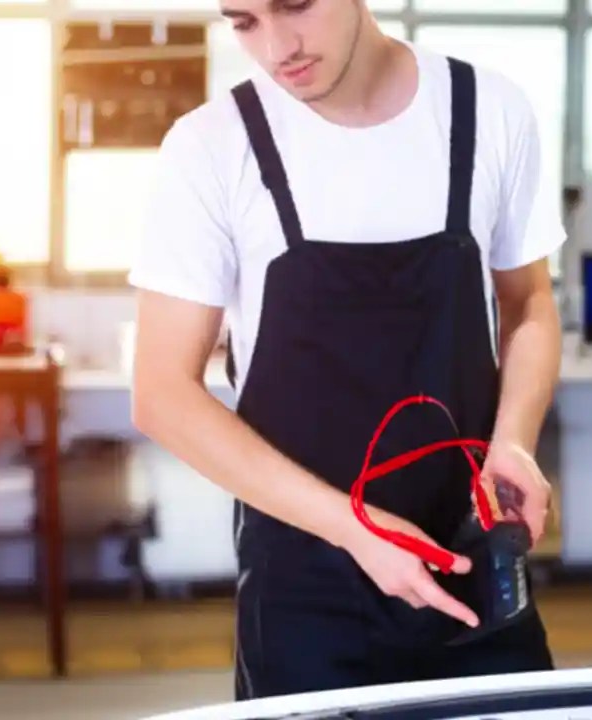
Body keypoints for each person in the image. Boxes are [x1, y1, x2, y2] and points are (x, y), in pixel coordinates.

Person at [129, 0, 565, 701]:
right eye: (244, 22)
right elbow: (161, 395)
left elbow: (529, 304)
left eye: (295, 5)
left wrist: (514, 441)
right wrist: (355, 530)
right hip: (306, 591)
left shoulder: (489, 113)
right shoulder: (213, 146)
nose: (277, 47)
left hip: (473, 566)